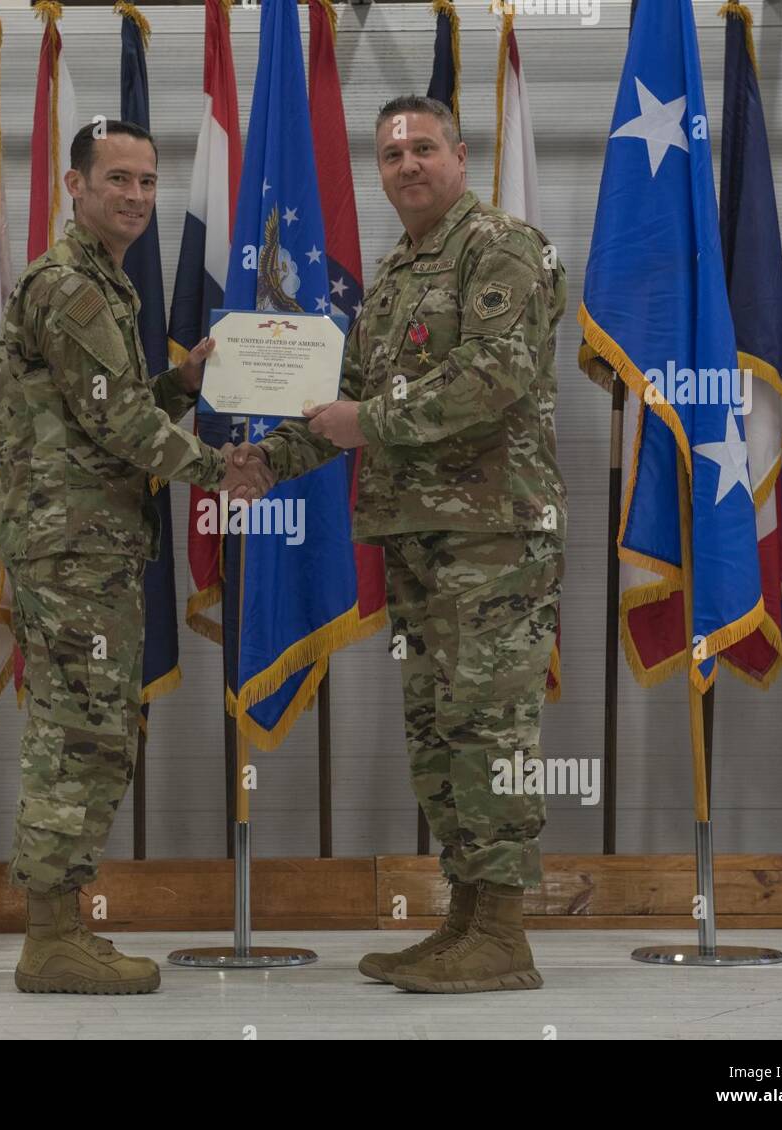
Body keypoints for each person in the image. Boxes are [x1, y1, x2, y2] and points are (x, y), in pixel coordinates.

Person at [232, 95, 567, 993]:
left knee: (489, 727)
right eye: (390, 155)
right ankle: (465, 918)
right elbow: (337, 405)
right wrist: (263, 460)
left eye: (424, 147)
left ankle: (503, 932)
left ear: (461, 155)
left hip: (491, 537)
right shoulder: (395, 273)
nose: (407, 164)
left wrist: (365, 418)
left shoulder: (502, 249)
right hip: (420, 539)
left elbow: (493, 377)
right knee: (438, 731)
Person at [0, 119, 271, 995]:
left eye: (149, 182)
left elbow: (103, 410)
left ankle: (64, 923)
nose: (137, 197)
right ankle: (48, 937)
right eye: (118, 179)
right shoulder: (70, 286)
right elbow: (116, 426)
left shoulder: (104, 284)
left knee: (96, 733)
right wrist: (224, 470)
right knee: (76, 736)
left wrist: (182, 386)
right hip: (72, 548)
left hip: (96, 544)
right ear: (74, 187)